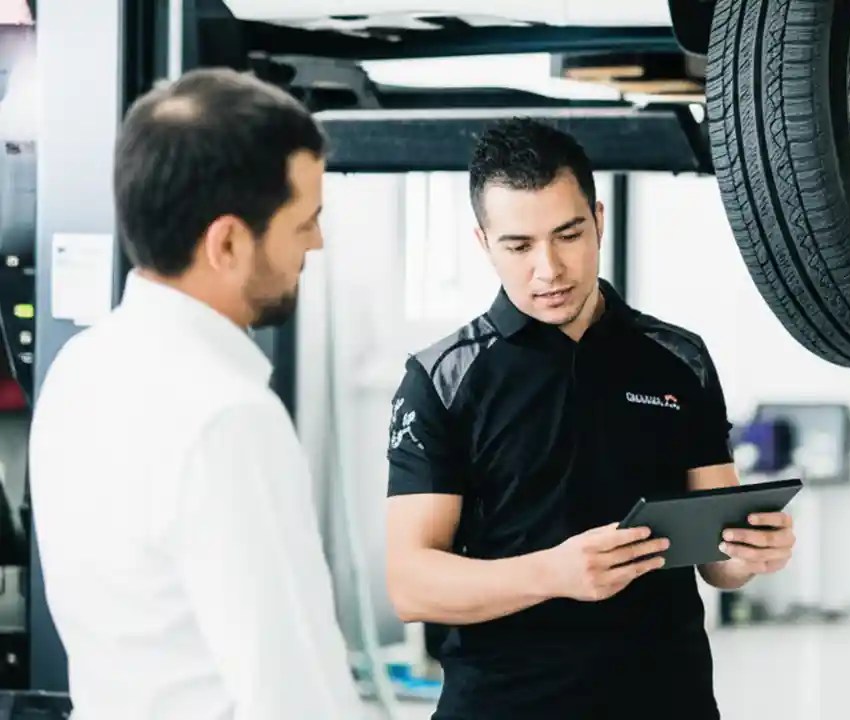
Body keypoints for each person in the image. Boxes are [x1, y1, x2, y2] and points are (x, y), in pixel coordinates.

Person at [384, 118, 798, 720]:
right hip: (505, 705)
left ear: (598, 221)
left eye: (568, 234)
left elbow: (718, 558)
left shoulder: (678, 358)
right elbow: (411, 583)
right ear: (484, 243)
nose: (548, 269)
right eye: (519, 246)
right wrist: (554, 573)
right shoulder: (440, 379)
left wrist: (752, 551)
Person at [28, 68, 363, 719]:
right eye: (305, 222)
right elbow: (294, 694)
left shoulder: (79, 368)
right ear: (229, 243)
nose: (316, 243)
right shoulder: (227, 418)